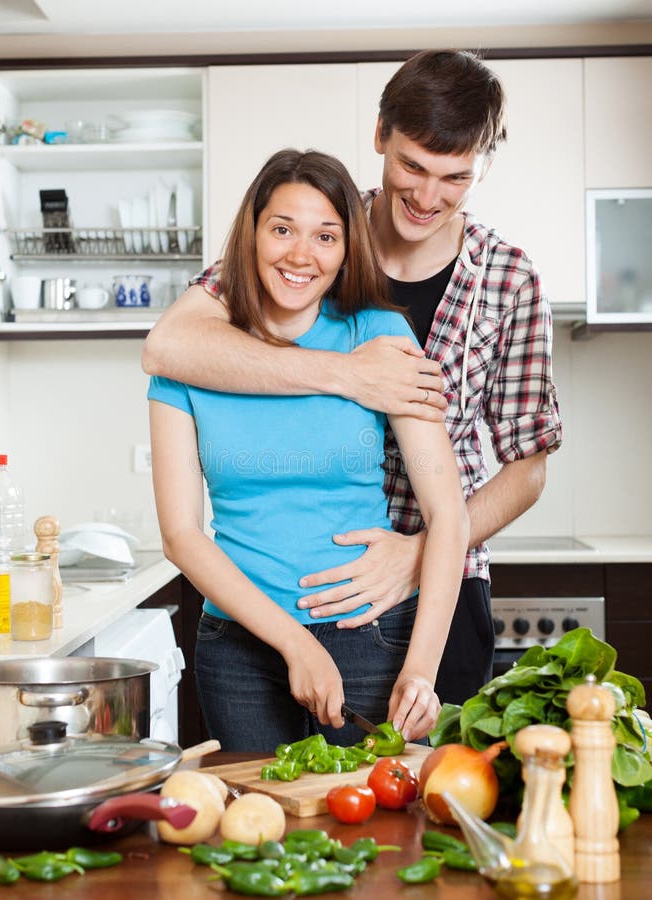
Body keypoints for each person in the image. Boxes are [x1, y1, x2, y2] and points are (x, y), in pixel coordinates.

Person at [143, 49, 562, 707]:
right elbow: (169, 346)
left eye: (454, 178)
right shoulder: (312, 233)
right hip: (295, 596)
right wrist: (348, 376)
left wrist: (416, 554)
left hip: (440, 590)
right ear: (379, 136)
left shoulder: (509, 279)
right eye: (411, 166)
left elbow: (527, 469)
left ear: (483, 167)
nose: (427, 198)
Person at [148, 149, 468, 752]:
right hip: (237, 645)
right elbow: (181, 535)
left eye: (326, 235)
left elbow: (448, 513)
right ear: (251, 234)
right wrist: (295, 642)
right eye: (282, 229)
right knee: (260, 831)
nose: (301, 255)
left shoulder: (379, 335)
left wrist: (421, 669)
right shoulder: (192, 355)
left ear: (348, 249)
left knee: (375, 834)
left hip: (368, 632)